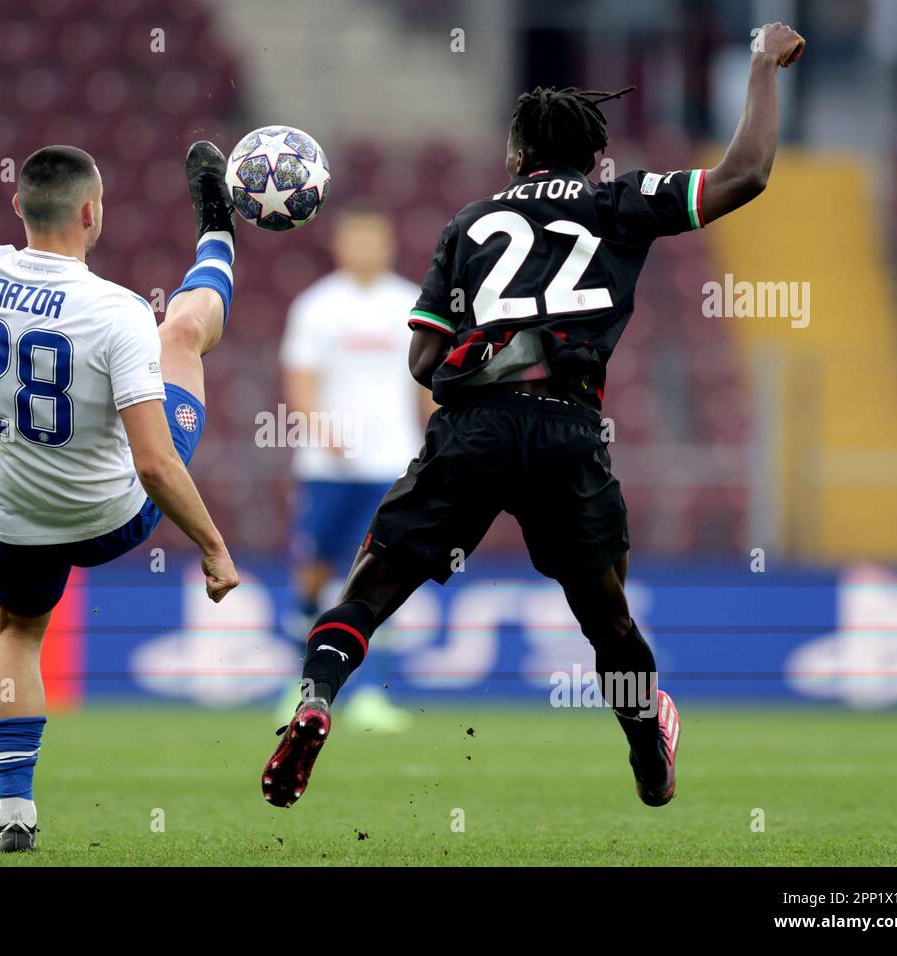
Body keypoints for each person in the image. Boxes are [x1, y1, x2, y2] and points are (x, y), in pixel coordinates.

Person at [262, 23, 806, 810]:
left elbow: (421, 364)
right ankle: (644, 738)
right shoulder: (622, 199)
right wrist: (761, 64)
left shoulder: (469, 224)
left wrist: (484, 355)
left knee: (367, 591)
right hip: (566, 429)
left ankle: (316, 697)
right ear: (592, 156)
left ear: (516, 155)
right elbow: (746, 174)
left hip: (473, 430)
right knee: (607, 620)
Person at [0, 142, 240, 852]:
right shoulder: (118, 312)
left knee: (19, 631)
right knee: (181, 334)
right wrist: (213, 548)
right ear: (91, 214)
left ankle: (16, 814)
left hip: (13, 518)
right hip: (108, 518)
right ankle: (217, 233)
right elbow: (154, 463)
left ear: (23, 208)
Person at [278, 205, 429, 733]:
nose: (365, 248)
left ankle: (368, 694)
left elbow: (426, 383)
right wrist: (320, 429)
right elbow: (300, 379)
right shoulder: (317, 306)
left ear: (387, 245)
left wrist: (436, 441)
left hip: (390, 460)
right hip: (327, 464)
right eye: (356, 238)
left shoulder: (408, 300)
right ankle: (299, 688)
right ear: (339, 246)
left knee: (376, 575)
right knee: (314, 572)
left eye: (374, 238)